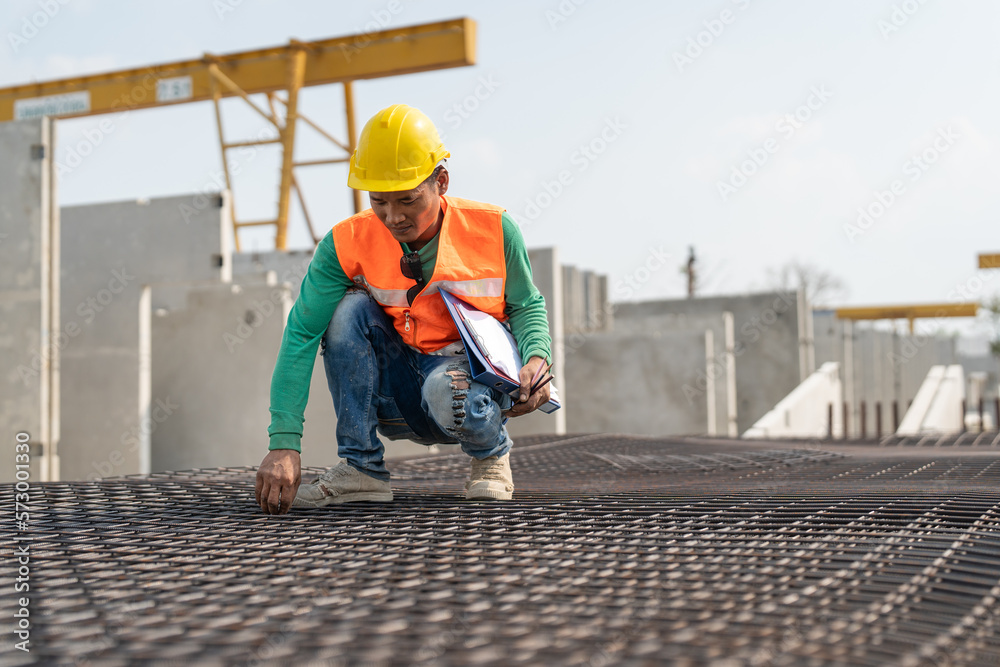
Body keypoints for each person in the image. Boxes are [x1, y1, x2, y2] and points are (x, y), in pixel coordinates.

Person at [255, 104, 553, 515]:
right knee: (347, 310)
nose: (393, 217)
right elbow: (302, 334)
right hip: (397, 393)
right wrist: (284, 442)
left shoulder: (495, 230)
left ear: (441, 181)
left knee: (445, 391)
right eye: (379, 201)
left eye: (408, 200)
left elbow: (526, 304)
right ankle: (361, 467)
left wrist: (537, 359)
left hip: (465, 391)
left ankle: (490, 456)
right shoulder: (345, 243)